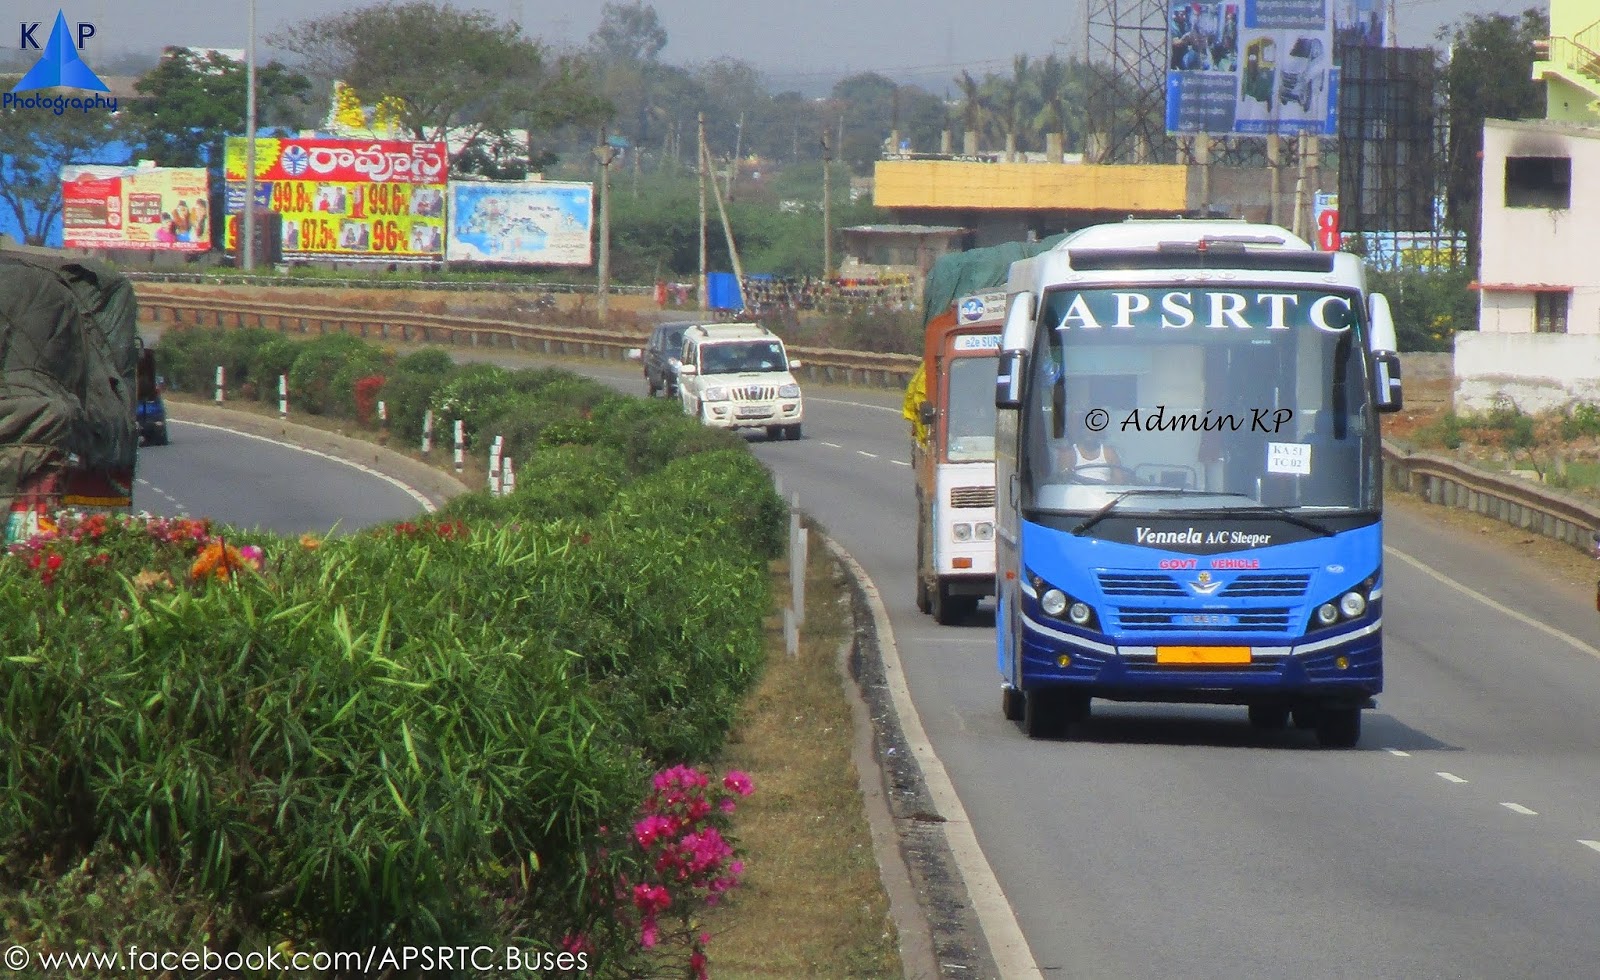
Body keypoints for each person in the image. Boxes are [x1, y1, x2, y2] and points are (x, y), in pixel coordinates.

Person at [1058, 418, 1123, 483]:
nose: (1089, 432)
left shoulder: (1109, 453)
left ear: (1099, 431)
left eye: (1093, 428)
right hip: (1076, 492)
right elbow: (1064, 479)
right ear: (1081, 431)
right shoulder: (1069, 453)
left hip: (1103, 492)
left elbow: (1119, 480)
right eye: (1086, 428)